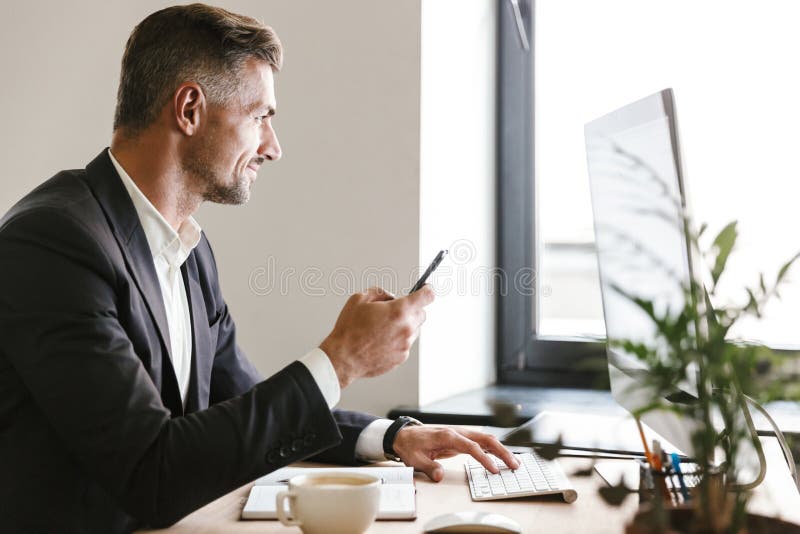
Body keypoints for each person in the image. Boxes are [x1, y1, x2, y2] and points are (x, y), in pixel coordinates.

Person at [0, 3, 519, 533]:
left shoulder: (188, 251)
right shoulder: (53, 243)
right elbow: (149, 472)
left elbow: (246, 409)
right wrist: (342, 360)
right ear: (189, 109)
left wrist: (390, 437)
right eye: (260, 116)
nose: (273, 147)